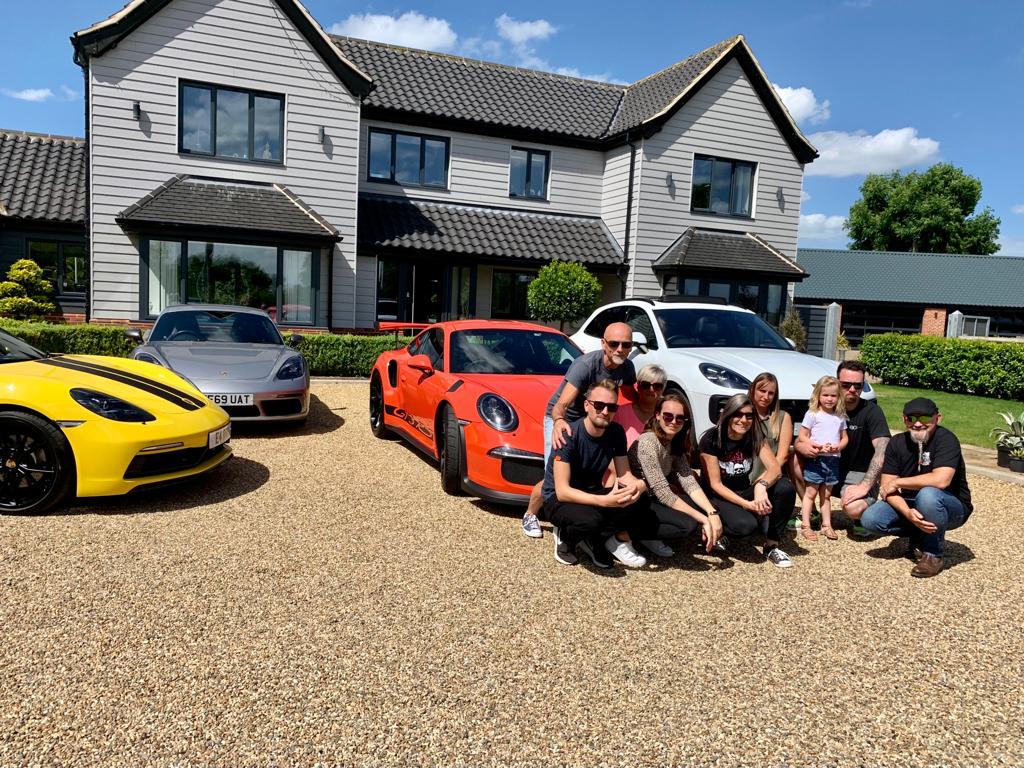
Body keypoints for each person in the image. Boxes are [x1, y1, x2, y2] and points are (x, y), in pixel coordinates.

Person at [522, 322, 637, 538]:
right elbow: (561, 405)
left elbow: (632, 394)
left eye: (626, 344)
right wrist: (557, 422)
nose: (620, 349)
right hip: (563, 417)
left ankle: (585, 517)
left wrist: (650, 406)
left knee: (598, 471)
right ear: (604, 344)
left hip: (593, 419)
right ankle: (532, 513)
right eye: (614, 343)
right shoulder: (585, 366)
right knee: (555, 478)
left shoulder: (627, 367)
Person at [542, 379, 654, 569]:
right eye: (599, 405)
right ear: (587, 405)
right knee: (590, 520)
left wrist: (641, 485)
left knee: (640, 501)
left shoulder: (616, 432)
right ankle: (566, 538)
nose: (605, 411)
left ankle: (596, 539)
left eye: (611, 407)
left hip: (592, 492)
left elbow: (624, 475)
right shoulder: (568, 434)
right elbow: (562, 491)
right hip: (559, 500)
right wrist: (605, 502)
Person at [859, 398, 972, 578]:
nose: (918, 424)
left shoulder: (946, 439)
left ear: (937, 418)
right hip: (911, 502)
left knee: (928, 495)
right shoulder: (896, 443)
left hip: (950, 504)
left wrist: (899, 482)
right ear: (904, 420)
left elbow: (941, 480)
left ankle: (933, 554)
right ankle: (919, 533)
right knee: (871, 519)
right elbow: (888, 488)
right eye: (911, 418)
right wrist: (907, 513)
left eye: (925, 418)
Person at [698, 393, 797, 568]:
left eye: (749, 416)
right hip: (718, 497)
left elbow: (775, 469)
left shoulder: (754, 436)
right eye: (738, 414)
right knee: (745, 526)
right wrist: (746, 504)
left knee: (785, 487)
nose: (744, 420)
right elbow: (716, 484)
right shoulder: (711, 439)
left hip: (744, 490)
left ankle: (771, 545)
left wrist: (761, 486)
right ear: (728, 415)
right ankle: (715, 525)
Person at [798, 360, 889, 536]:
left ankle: (862, 515)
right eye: (846, 385)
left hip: (856, 474)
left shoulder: (872, 412)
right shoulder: (817, 411)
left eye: (858, 385)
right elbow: (801, 438)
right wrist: (805, 447)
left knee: (853, 508)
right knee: (794, 458)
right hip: (824, 463)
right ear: (837, 383)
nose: (852, 390)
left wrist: (865, 485)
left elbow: (882, 449)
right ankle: (812, 515)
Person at [628, 394, 723, 555]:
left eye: (680, 418)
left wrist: (711, 512)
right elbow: (662, 491)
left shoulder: (674, 441)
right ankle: (634, 535)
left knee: (705, 506)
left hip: (657, 496)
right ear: (657, 415)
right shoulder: (648, 441)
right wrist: (704, 519)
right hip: (640, 501)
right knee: (688, 525)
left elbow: (688, 480)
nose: (673, 422)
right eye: (668, 416)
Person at [797, 376, 848, 541]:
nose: (829, 399)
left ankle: (826, 524)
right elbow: (803, 436)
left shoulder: (839, 416)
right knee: (810, 493)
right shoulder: (813, 414)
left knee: (826, 495)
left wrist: (838, 447)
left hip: (833, 460)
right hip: (817, 459)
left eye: (833, 395)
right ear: (818, 395)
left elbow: (845, 438)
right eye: (825, 395)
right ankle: (806, 525)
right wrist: (816, 446)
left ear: (838, 397)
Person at [748, 372, 799, 496]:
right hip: (744, 475)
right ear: (753, 389)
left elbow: (782, 456)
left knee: (785, 488)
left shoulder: (782, 417)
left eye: (771, 393)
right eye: (762, 391)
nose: (766, 397)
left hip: (769, 475)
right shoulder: (743, 416)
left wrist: (764, 479)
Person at [615, 364, 666, 444]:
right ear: (638, 387)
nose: (651, 389)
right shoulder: (620, 413)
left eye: (657, 386)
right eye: (646, 385)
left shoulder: (668, 415)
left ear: (663, 389)